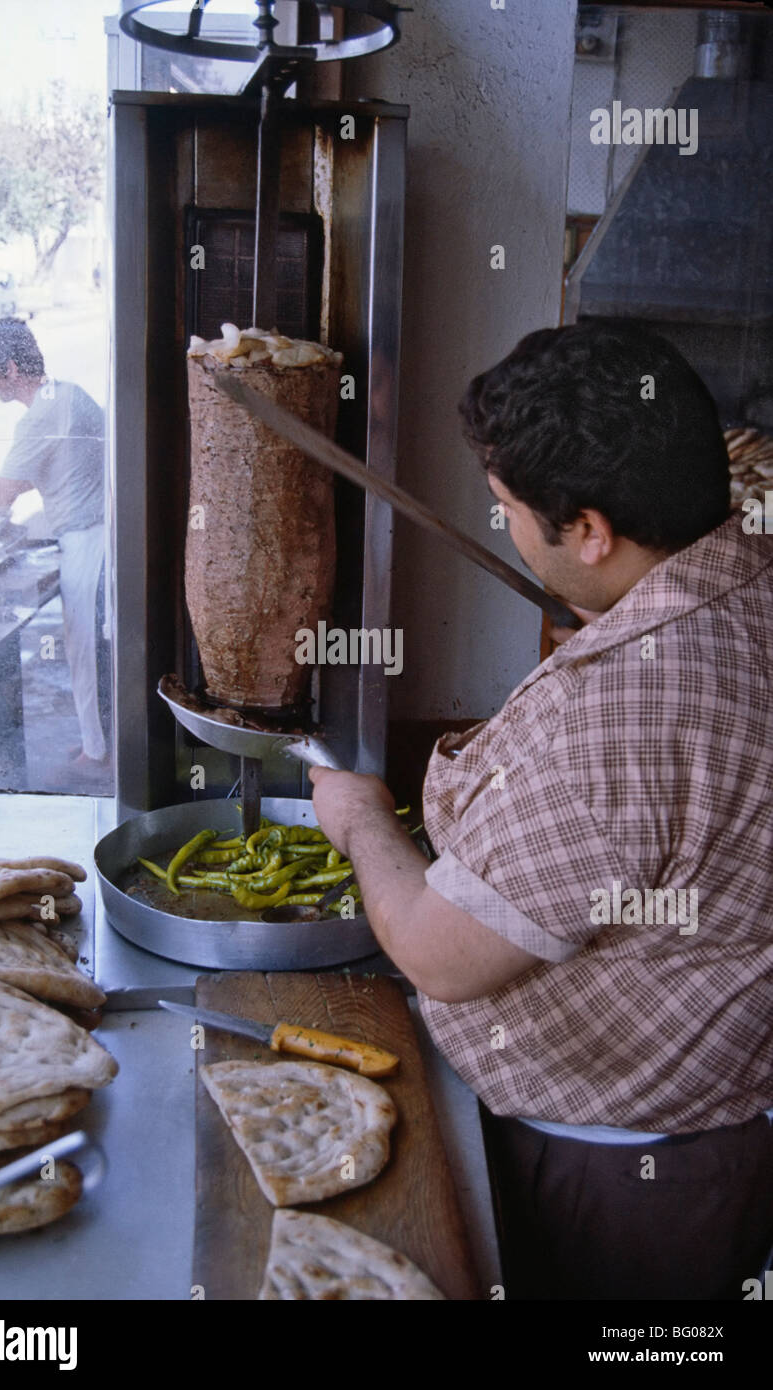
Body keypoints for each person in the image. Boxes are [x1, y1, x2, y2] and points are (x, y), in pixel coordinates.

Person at [308, 319, 773, 1301]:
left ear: (594, 531)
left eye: (508, 509)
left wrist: (356, 817)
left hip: (618, 1174)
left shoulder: (621, 719)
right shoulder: (742, 582)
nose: (506, 529)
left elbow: (440, 953)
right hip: (714, 1142)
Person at [0, 318, 109, 772]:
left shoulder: (42, 414)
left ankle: (100, 755)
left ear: (10, 367)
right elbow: (27, 476)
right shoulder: (64, 396)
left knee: (87, 651)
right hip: (98, 536)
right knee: (91, 650)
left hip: (90, 545)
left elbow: (2, 495)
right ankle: (100, 745)